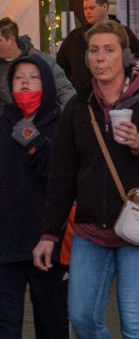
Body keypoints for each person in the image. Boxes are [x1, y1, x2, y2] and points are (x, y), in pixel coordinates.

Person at [37, 20, 139, 339]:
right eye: (93, 50)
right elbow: (62, 176)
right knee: (81, 319)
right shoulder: (79, 108)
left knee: (134, 322)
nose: (99, 57)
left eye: (108, 50)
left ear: (124, 55)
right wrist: (50, 233)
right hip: (91, 227)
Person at [0, 55, 68, 339]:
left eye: (33, 77)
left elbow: (63, 176)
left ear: (48, 82)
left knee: (51, 321)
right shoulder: (4, 123)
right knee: (6, 324)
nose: (26, 82)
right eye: (19, 78)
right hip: (6, 243)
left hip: (48, 241)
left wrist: (37, 141)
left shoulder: (61, 124)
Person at [55, 0, 139, 94]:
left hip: (116, 96)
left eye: (92, 8)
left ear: (105, 6)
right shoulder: (75, 36)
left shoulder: (123, 34)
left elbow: (136, 62)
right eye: (85, 9)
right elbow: (61, 66)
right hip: (81, 97)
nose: (87, 12)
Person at [0, 17, 74, 107]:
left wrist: (67, 115)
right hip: (9, 119)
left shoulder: (41, 60)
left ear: (11, 40)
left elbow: (64, 89)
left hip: (43, 118)